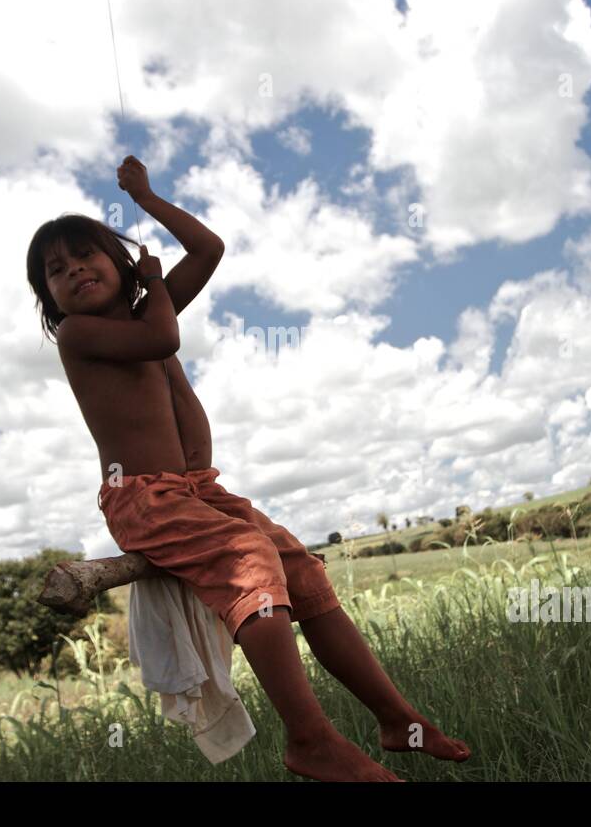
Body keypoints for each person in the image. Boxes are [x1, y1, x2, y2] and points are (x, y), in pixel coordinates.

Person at [24, 155, 471, 781]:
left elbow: (209, 247)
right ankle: (310, 738)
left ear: (118, 262)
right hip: (145, 497)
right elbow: (163, 340)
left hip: (201, 492)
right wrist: (151, 286)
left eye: (85, 256)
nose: (72, 271)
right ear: (48, 297)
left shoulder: (150, 307)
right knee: (249, 559)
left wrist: (147, 198)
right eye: (55, 271)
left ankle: (399, 719)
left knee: (300, 570)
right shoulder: (80, 334)